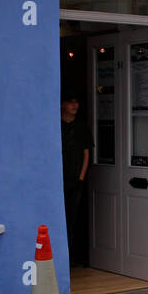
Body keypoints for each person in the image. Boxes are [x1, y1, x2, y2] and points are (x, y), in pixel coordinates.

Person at [60, 92, 91, 265]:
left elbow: (86, 153)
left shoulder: (81, 127)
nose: (75, 106)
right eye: (71, 102)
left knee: (72, 219)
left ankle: (70, 259)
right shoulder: (55, 125)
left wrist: (81, 177)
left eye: (76, 102)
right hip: (59, 180)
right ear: (61, 105)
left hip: (75, 180)